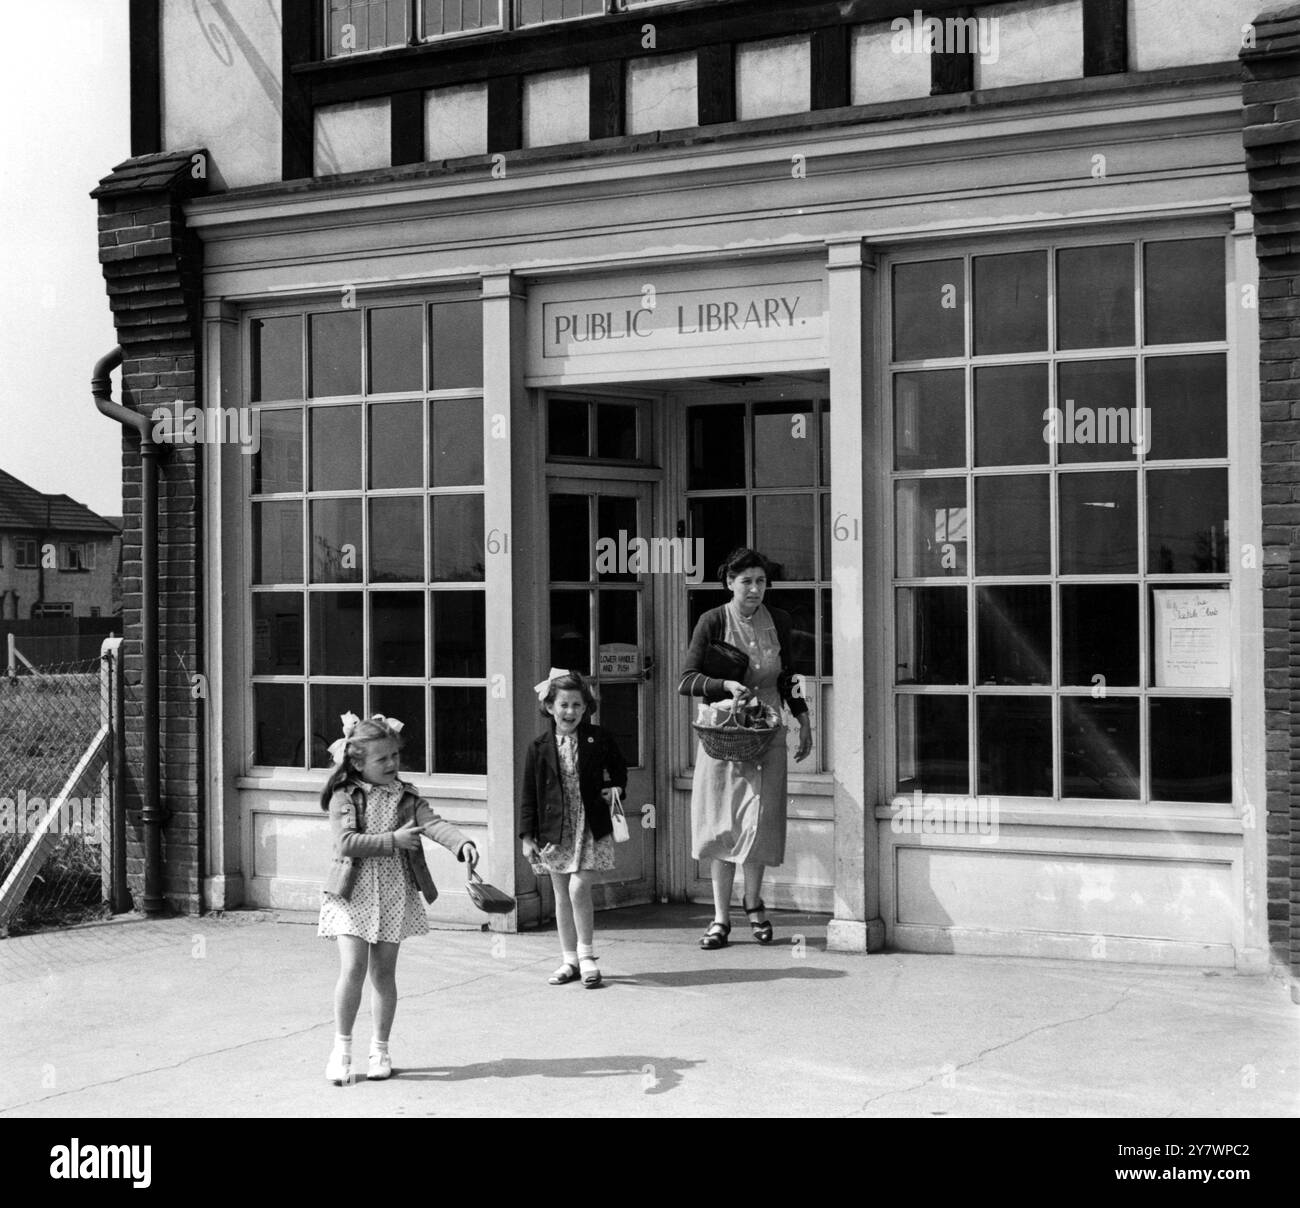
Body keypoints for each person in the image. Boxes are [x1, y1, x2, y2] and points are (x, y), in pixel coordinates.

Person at [318, 712, 477, 1084]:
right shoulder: (345, 796)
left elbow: (433, 823)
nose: (392, 764)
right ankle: (341, 1050)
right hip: (351, 893)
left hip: (393, 892)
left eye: (394, 756)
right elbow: (346, 843)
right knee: (353, 969)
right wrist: (393, 841)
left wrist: (462, 842)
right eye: (382, 759)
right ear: (357, 762)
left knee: (383, 974)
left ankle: (380, 1048)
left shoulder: (406, 795)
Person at [679, 548, 812, 949]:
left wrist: (803, 719)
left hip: (767, 733)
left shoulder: (781, 621)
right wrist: (723, 686)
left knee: (760, 822)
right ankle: (720, 918)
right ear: (729, 583)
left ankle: (753, 903)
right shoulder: (712, 620)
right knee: (723, 824)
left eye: (761, 581)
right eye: (746, 581)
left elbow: (788, 677)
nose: (755, 589)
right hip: (723, 734)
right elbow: (686, 679)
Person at [520, 669, 628, 989]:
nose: (570, 712)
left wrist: (615, 789)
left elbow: (619, 772)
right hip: (556, 829)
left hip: (592, 825)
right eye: (564, 705)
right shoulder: (538, 747)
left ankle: (587, 956)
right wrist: (527, 836)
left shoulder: (599, 738)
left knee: (578, 888)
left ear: (586, 708)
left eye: (577, 705)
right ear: (550, 707)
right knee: (560, 894)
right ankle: (569, 959)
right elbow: (529, 794)